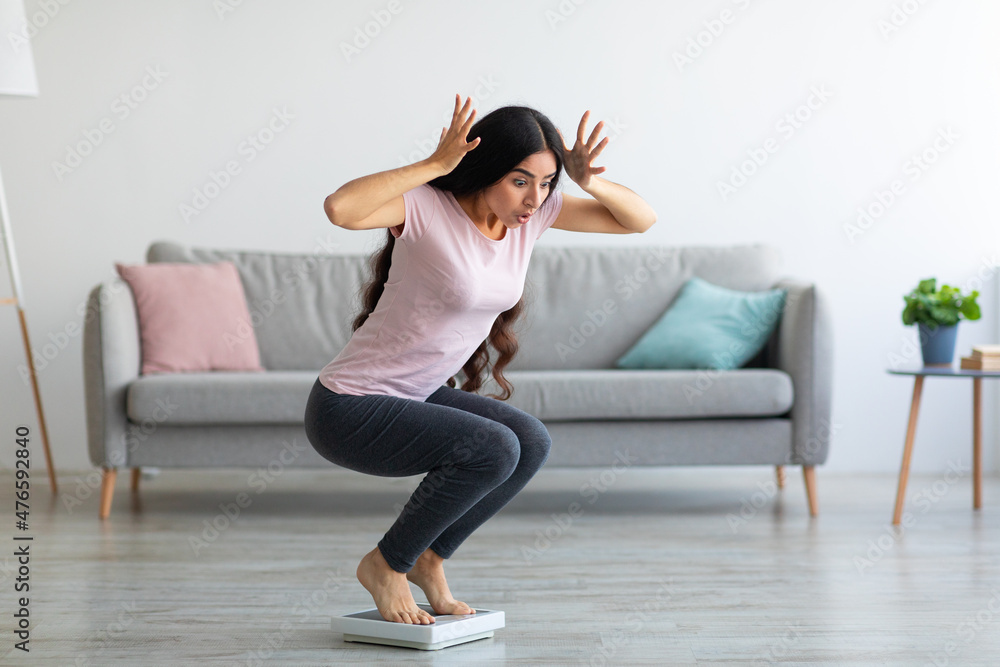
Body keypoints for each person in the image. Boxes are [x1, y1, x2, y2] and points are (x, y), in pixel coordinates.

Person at [303, 94, 657, 625]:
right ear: (486, 167)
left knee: (530, 441)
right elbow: (340, 209)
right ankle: (387, 564)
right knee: (493, 447)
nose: (534, 198)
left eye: (546, 183)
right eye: (519, 180)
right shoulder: (426, 206)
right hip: (348, 408)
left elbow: (640, 220)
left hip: (414, 395)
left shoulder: (530, 217)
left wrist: (590, 182)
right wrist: (434, 165)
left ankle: (428, 556)